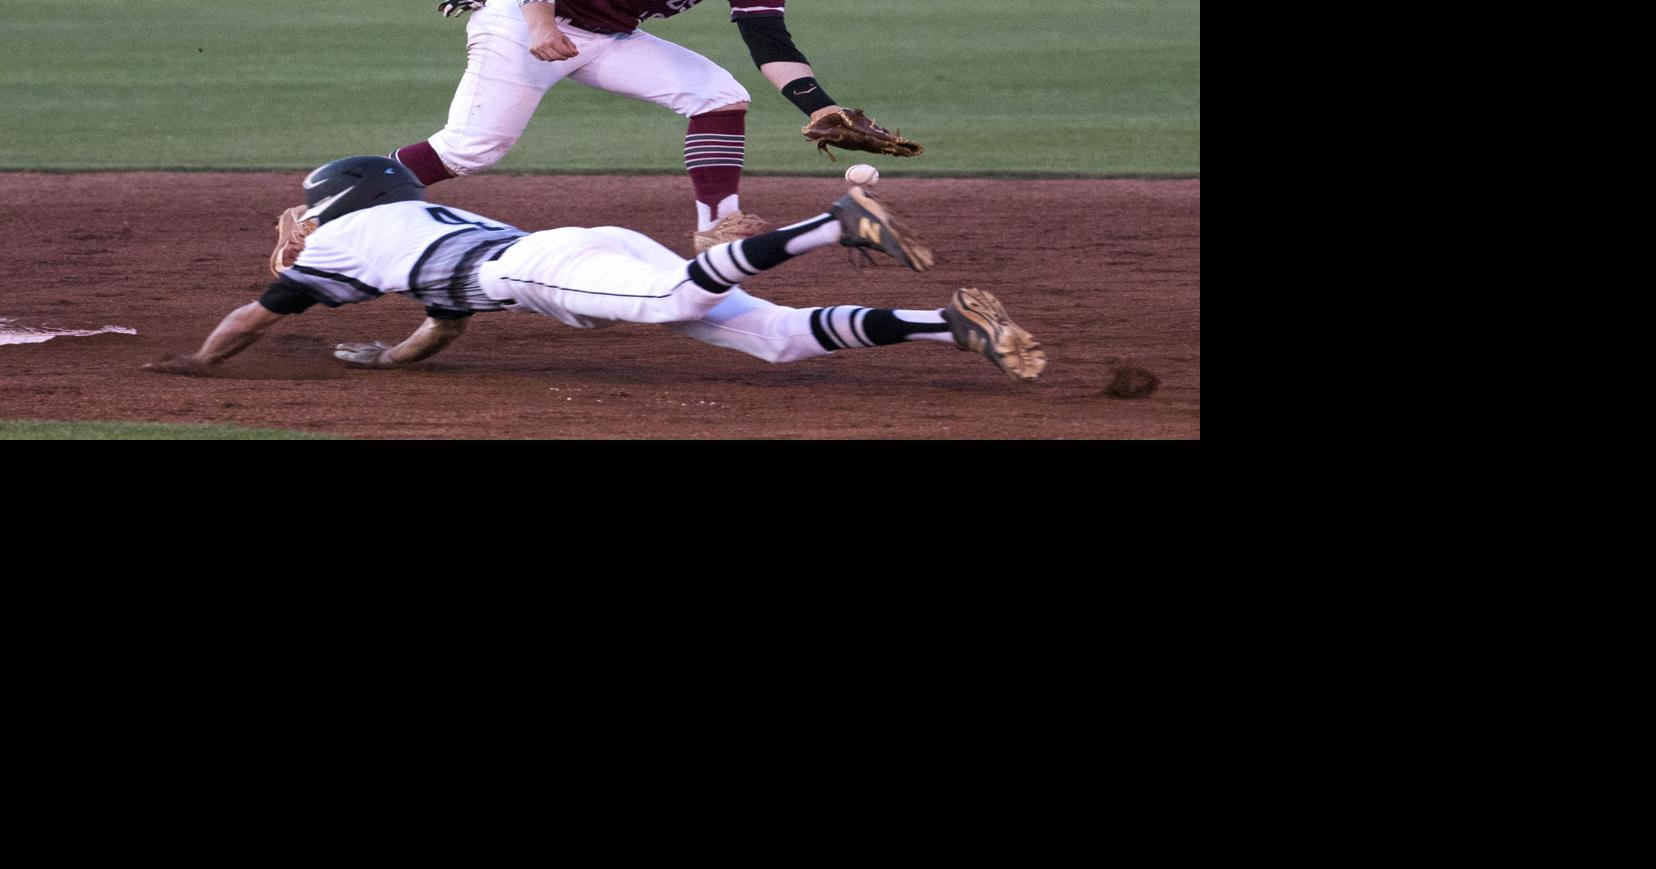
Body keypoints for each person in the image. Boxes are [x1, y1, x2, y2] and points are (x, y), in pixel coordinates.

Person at [143, 156, 1045, 383]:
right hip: (568, 246)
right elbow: (442, 322)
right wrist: (386, 358)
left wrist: (203, 361)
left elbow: (253, 316)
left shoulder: (339, 245)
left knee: (670, 299)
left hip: (541, 269)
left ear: (339, 201)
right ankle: (953, 325)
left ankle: (830, 225)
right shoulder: (411, 223)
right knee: (770, 339)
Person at [392, 0, 922, 252]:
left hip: (608, 36)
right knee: (470, 149)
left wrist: (818, 106)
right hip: (524, 19)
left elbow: (768, 38)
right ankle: (329, 204)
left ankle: (719, 228)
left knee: (717, 95)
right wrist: (539, 24)